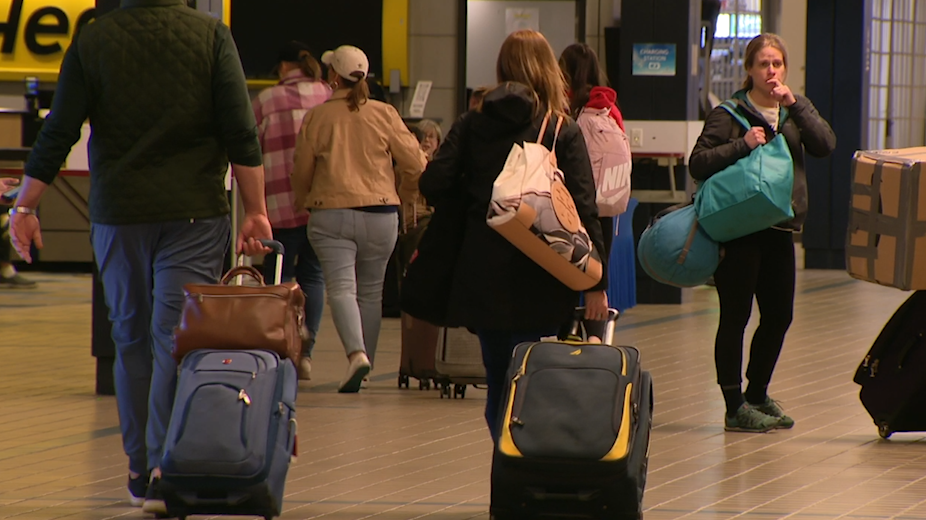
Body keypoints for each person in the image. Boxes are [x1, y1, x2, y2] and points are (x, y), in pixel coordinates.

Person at [7, 0, 273, 513]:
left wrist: (26, 205)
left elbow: (59, 129)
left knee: (130, 337)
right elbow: (240, 130)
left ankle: (138, 467)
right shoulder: (211, 36)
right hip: (194, 211)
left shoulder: (94, 39)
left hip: (119, 214)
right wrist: (256, 210)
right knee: (174, 339)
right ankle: (163, 469)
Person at [419, 30, 609, 440]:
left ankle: (505, 465)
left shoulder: (472, 123)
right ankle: (527, 466)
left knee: (498, 376)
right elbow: (582, 210)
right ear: (548, 70)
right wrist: (597, 282)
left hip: (481, 270)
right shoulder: (561, 129)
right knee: (533, 375)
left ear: (503, 69)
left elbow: (434, 183)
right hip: (544, 271)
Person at [689, 33, 836, 433]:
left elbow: (825, 144)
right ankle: (733, 404)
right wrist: (742, 145)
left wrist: (795, 104)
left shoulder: (792, 111)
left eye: (777, 64)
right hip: (739, 229)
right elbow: (698, 163)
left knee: (778, 315)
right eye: (763, 64)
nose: (770, 71)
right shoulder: (729, 113)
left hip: (779, 227)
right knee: (735, 316)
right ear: (749, 70)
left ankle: (757, 394)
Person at [291, 45, 426, 393]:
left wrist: (304, 200)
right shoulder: (385, 114)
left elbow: (302, 170)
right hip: (381, 213)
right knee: (370, 293)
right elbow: (416, 163)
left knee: (341, 287)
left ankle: (355, 354)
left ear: (334, 76)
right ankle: (367, 364)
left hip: (331, 213)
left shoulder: (317, 117)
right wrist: (405, 191)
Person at [252, 41, 332, 381]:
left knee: (277, 279)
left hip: (278, 207)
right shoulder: (326, 94)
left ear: (283, 68)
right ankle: (306, 355)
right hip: (319, 204)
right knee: (314, 276)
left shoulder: (266, 101)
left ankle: (279, 348)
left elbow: (249, 147)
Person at [559, 42, 625, 258]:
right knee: (597, 271)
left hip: (568, 205)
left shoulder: (566, 107)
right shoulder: (609, 108)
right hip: (603, 206)